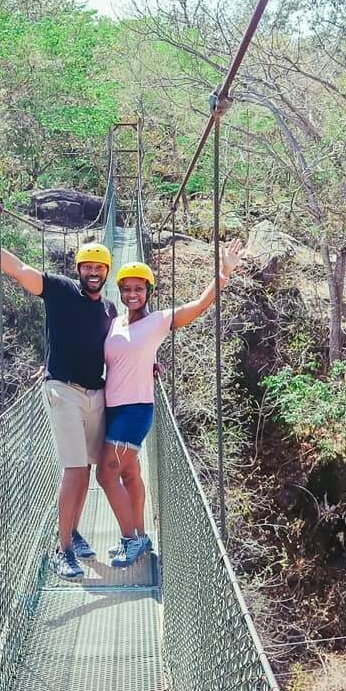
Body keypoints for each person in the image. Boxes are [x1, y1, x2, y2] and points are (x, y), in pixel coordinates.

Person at [0, 205, 115, 580]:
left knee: (88, 471)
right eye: (87, 267)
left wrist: (151, 364)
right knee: (75, 470)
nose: (93, 273)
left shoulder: (110, 308)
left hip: (98, 394)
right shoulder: (62, 291)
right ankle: (62, 551)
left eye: (99, 268)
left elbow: (125, 346)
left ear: (106, 273)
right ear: (78, 270)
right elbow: (18, 270)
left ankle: (73, 532)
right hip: (62, 390)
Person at [98, 240, 244, 568]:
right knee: (129, 474)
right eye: (126, 288)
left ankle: (130, 540)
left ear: (148, 291)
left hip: (136, 410)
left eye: (138, 288)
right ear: (120, 291)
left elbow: (198, 306)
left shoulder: (160, 320)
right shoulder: (115, 323)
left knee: (107, 475)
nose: (132, 294)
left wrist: (224, 273)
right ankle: (140, 534)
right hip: (112, 408)